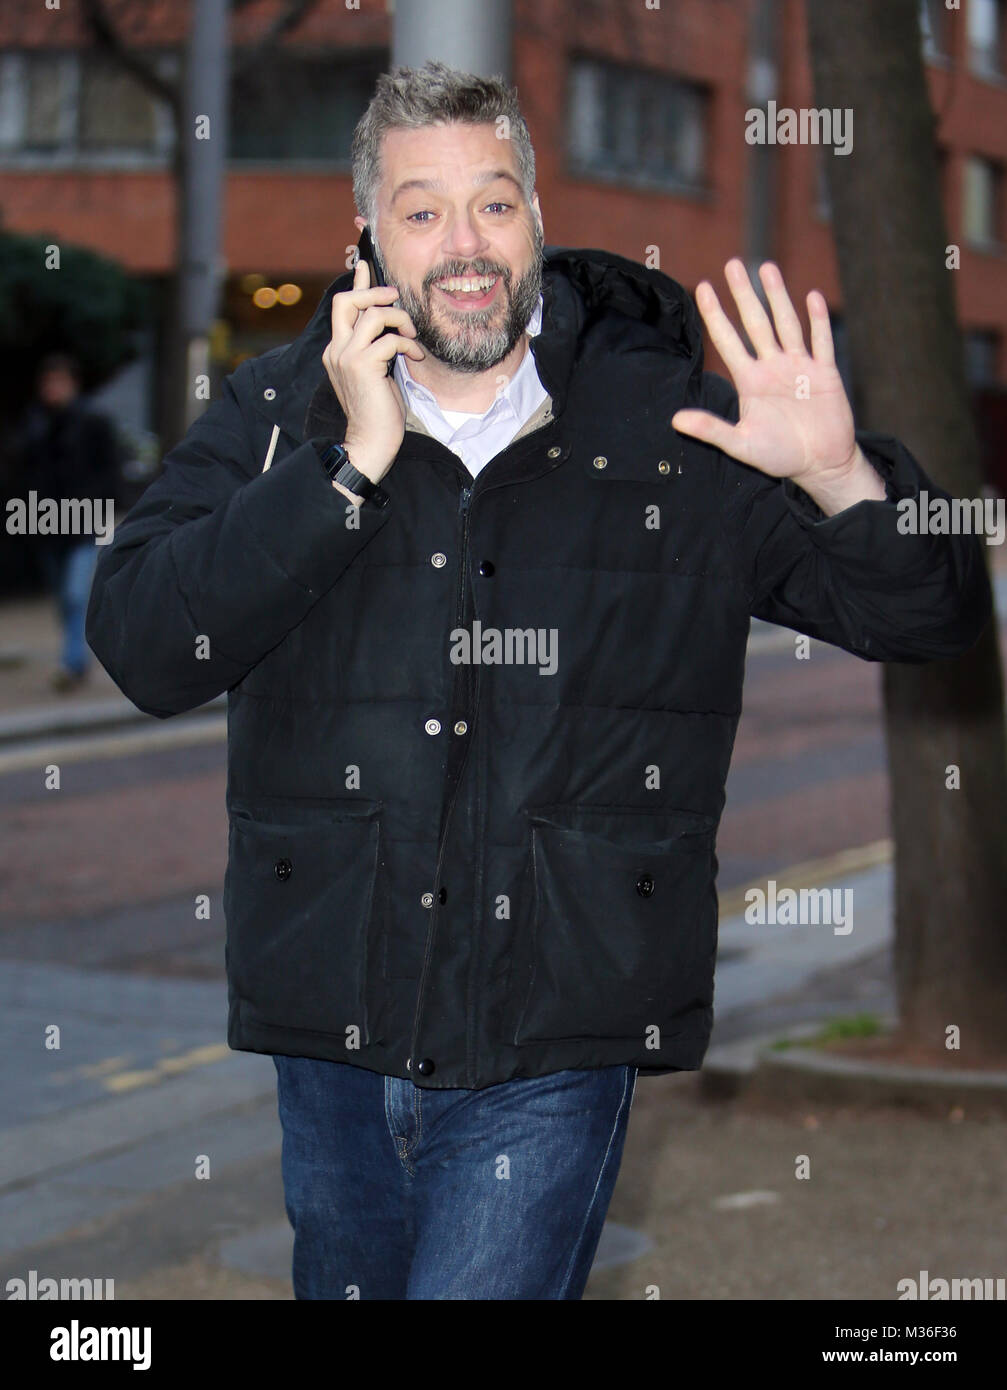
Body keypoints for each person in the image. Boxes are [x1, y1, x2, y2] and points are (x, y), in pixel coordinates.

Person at [85, 61, 991, 1299]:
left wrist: (839, 481)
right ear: (369, 239)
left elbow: (930, 619)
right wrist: (341, 471)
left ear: (535, 223)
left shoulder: (672, 421)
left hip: (554, 1034)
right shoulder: (280, 411)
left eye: (493, 203)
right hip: (331, 1030)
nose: (463, 246)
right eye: (420, 210)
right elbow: (142, 643)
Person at [18, 353, 120, 692]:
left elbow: (109, 471)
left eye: (59, 381)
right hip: (46, 523)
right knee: (64, 597)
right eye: (48, 382)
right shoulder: (37, 422)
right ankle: (75, 657)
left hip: (83, 522)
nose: (53, 389)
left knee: (76, 593)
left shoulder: (92, 421)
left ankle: (72, 662)